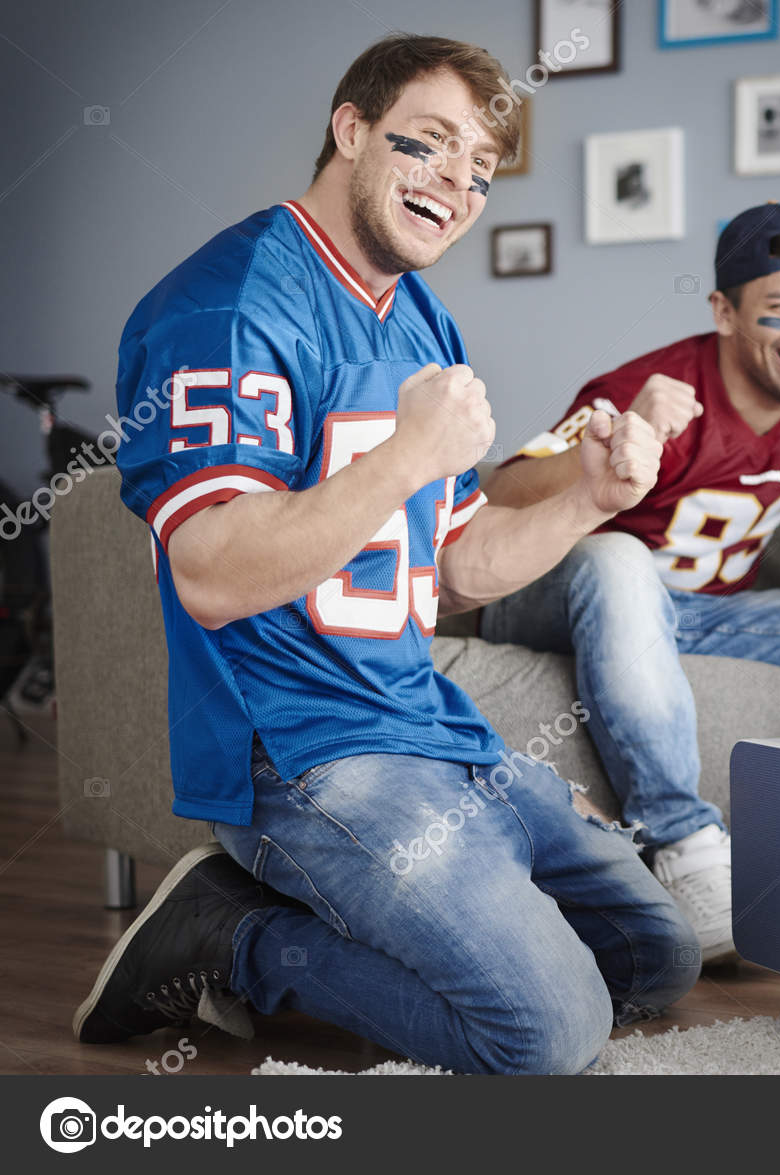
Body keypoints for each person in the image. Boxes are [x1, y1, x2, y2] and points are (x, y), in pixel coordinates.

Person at [74, 34, 698, 1075]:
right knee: (546, 1037)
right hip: (307, 754)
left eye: (482, 171)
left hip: (436, 731)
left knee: (655, 955)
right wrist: (408, 454)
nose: (457, 183)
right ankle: (238, 934)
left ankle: (369, 905)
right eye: (431, 143)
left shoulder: (421, 316)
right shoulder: (230, 305)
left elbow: (456, 569)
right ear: (352, 128)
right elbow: (212, 572)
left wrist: (595, 497)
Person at [480, 204, 780, 960]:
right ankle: (683, 842)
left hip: (702, 610)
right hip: (564, 593)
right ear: (724, 312)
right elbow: (501, 493)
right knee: (620, 561)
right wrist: (615, 444)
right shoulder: (650, 389)